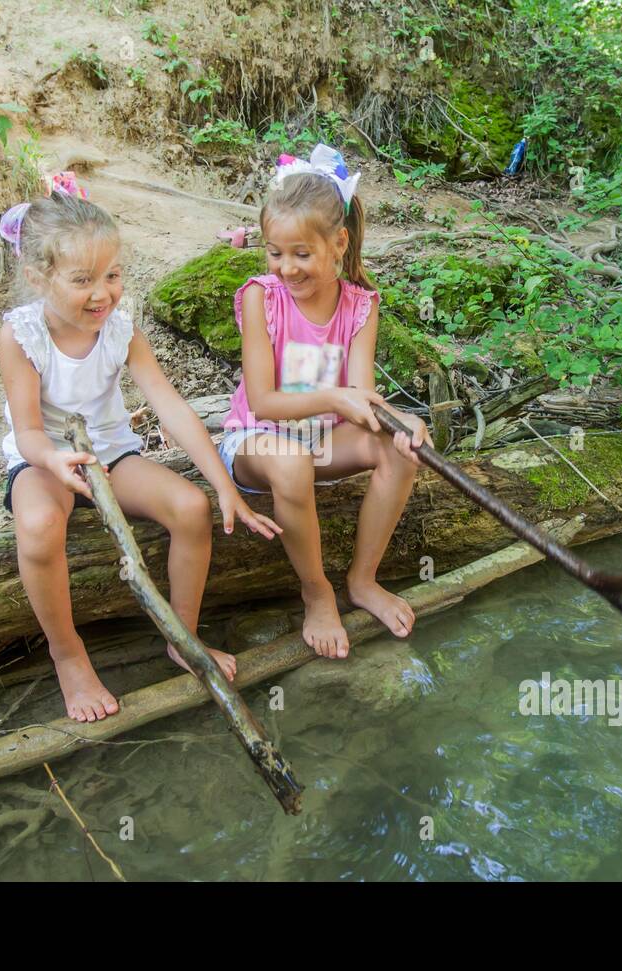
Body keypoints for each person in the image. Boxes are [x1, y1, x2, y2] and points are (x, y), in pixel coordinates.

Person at [0, 173, 279, 722]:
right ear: (37, 277)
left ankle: (181, 635)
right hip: (46, 461)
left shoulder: (121, 329)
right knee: (37, 526)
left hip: (111, 455)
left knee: (191, 507)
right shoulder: (21, 334)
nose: (102, 293)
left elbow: (171, 406)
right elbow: (28, 430)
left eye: (113, 275)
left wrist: (223, 485)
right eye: (83, 280)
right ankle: (68, 654)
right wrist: (54, 460)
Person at [217, 145, 431, 660]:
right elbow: (265, 402)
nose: (286, 268)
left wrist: (400, 420)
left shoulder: (361, 304)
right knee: (290, 465)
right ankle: (317, 592)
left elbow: (360, 396)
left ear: (338, 244)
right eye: (274, 252)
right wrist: (335, 396)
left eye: (301, 254)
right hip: (255, 441)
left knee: (402, 447)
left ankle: (362, 580)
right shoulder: (260, 298)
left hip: (322, 441)